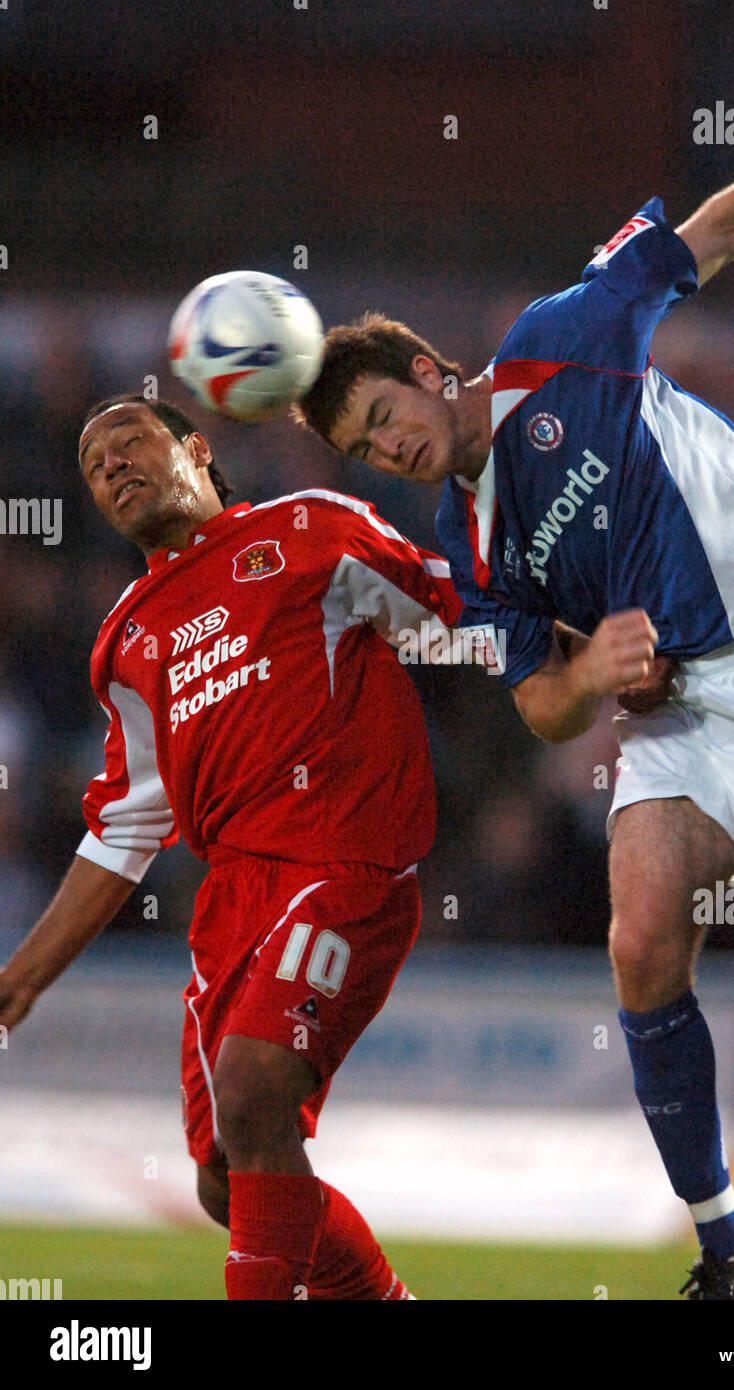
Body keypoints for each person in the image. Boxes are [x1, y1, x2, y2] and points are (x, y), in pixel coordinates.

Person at [293, 73, 734, 1299]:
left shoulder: (559, 342)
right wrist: (587, 667)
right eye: (363, 451)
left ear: (425, 367)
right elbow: (537, 703)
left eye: (382, 417)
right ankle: (720, 1249)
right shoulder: (469, 551)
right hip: (677, 705)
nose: (390, 448)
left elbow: (721, 229)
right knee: (637, 943)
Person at [0, 392, 465, 1301]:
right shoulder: (125, 642)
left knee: (254, 1090)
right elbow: (125, 829)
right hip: (233, 902)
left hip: (345, 863)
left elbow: (450, 614)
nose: (113, 468)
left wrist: (577, 656)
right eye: (94, 468)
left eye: (129, 442)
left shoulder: (312, 528)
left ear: (198, 449)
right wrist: (17, 983)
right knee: (230, 1179)